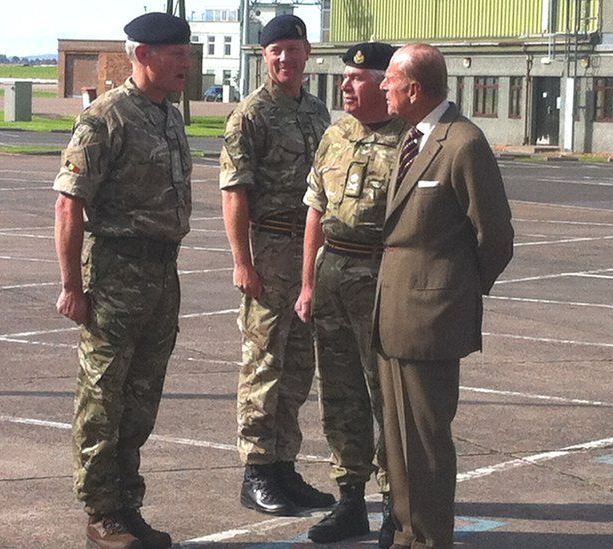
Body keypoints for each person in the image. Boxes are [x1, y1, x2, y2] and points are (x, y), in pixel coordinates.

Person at [53, 12, 192, 549]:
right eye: (175, 53)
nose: (186, 62)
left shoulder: (168, 116)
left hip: (163, 271)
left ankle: (127, 506)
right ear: (143, 55)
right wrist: (71, 285)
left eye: (187, 52)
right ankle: (100, 514)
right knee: (102, 398)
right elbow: (69, 204)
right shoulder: (106, 118)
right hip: (116, 272)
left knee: (141, 399)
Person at [375, 43, 514, 549]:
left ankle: (432, 539)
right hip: (392, 314)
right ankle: (408, 534)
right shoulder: (412, 137)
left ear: (414, 88)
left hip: (431, 317)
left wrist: (454, 291)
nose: (383, 88)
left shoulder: (463, 143)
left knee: (427, 442)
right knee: (398, 441)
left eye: (390, 80)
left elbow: (495, 235)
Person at [219, 14, 335, 517]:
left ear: (307, 53)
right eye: (275, 51)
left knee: (297, 366)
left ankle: (285, 467)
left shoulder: (316, 111)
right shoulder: (251, 115)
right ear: (263, 57)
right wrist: (242, 261)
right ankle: (256, 472)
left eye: (293, 49)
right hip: (268, 249)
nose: (285, 59)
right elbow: (234, 193)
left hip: (309, 253)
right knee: (263, 363)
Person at [294, 42, 406, 545]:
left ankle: (396, 506)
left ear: (385, 84)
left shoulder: (412, 139)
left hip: (382, 276)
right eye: (344, 77)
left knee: (387, 396)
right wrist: (307, 284)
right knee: (339, 395)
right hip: (334, 272)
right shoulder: (336, 133)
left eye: (357, 79)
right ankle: (350, 501)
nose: (345, 86)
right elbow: (314, 208)